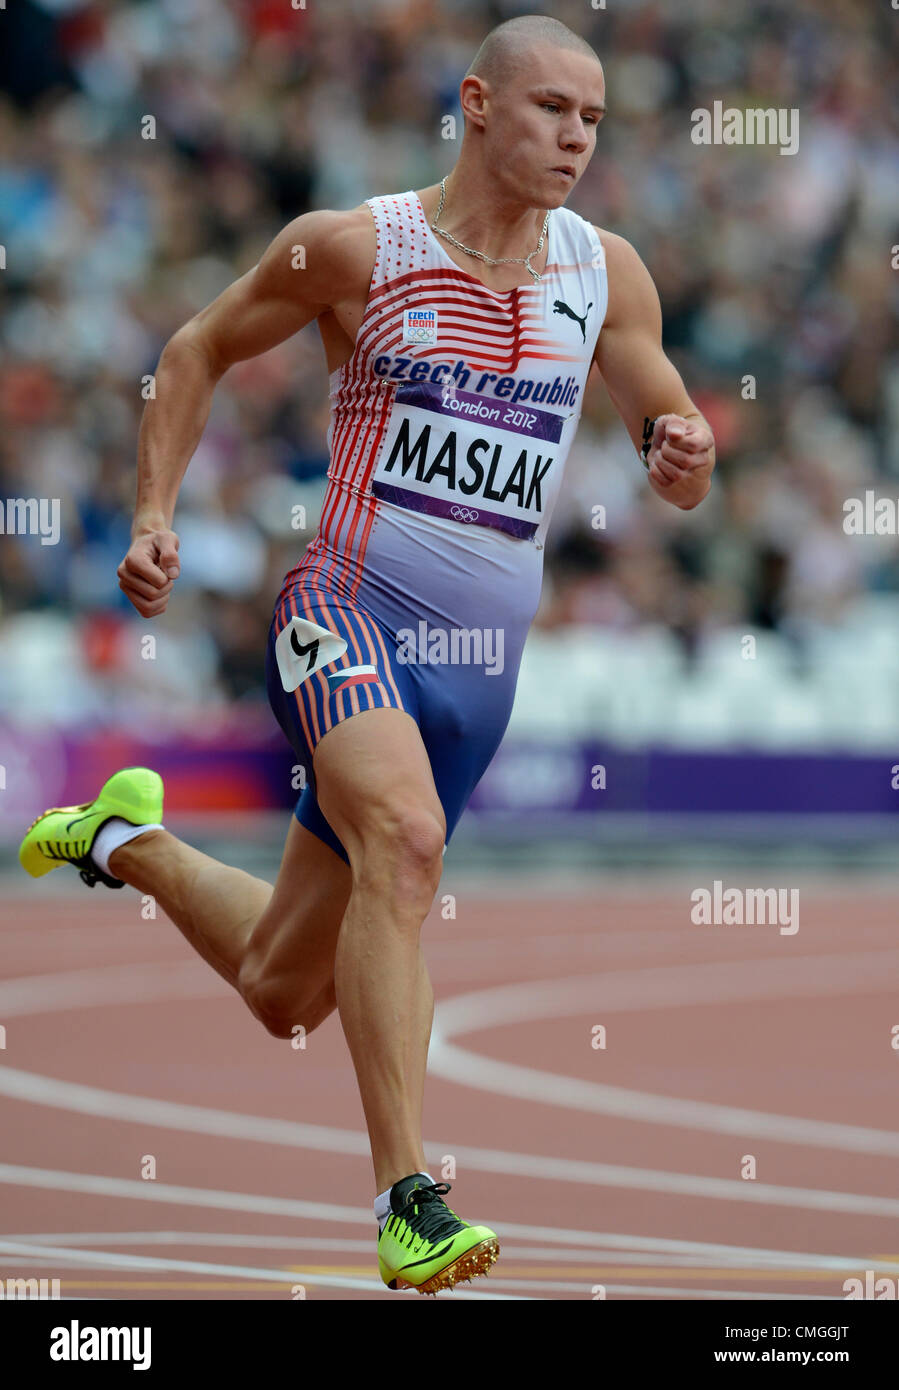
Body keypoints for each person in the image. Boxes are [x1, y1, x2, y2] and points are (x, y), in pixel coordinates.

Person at [19, 14, 715, 1295]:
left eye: (593, 118)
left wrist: (684, 455)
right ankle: (408, 1196)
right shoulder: (353, 246)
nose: (573, 137)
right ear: (476, 104)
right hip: (340, 609)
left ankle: (121, 840)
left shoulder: (604, 272)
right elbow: (193, 351)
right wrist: (158, 517)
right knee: (402, 837)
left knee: (286, 986)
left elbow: (667, 437)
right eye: (551, 108)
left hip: (474, 681)